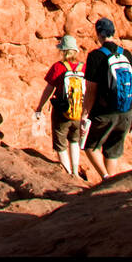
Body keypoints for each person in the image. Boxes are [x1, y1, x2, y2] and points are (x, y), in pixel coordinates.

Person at [82, 17, 132, 179]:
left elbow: (91, 90)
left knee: (90, 147)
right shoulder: (126, 54)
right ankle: (111, 183)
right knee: (112, 151)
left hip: (105, 113)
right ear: (113, 32)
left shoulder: (95, 56)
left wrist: (85, 115)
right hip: (126, 112)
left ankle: (106, 178)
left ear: (98, 34)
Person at [35, 34, 86, 177]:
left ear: (62, 51)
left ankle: (67, 172)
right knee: (74, 141)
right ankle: (75, 172)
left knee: (60, 143)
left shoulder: (58, 67)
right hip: (79, 110)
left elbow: (48, 89)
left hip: (62, 111)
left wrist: (39, 107)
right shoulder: (84, 67)